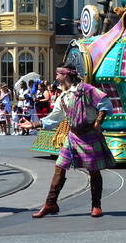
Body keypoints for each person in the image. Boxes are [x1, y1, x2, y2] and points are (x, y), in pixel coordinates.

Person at [34, 66, 115, 218]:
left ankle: (96, 205)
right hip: (72, 136)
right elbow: (55, 117)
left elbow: (105, 102)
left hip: (89, 135)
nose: (56, 77)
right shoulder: (63, 95)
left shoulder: (86, 89)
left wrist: (99, 121)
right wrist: (34, 125)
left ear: (65, 75)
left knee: (93, 170)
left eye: (58, 74)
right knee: (59, 167)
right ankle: (50, 203)